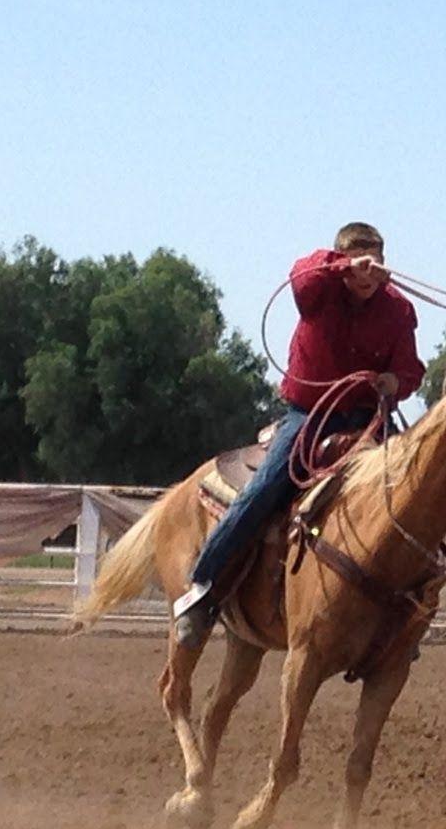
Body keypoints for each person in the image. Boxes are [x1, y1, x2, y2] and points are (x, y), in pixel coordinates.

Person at [172, 221, 428, 649]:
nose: (368, 276)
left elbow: (410, 370)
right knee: (263, 491)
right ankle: (202, 590)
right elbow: (302, 275)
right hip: (310, 416)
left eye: (376, 265)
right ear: (343, 262)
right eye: (360, 265)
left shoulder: (398, 310)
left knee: (410, 494)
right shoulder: (320, 291)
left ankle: (410, 606)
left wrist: (393, 382)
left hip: (368, 419)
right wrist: (337, 265)